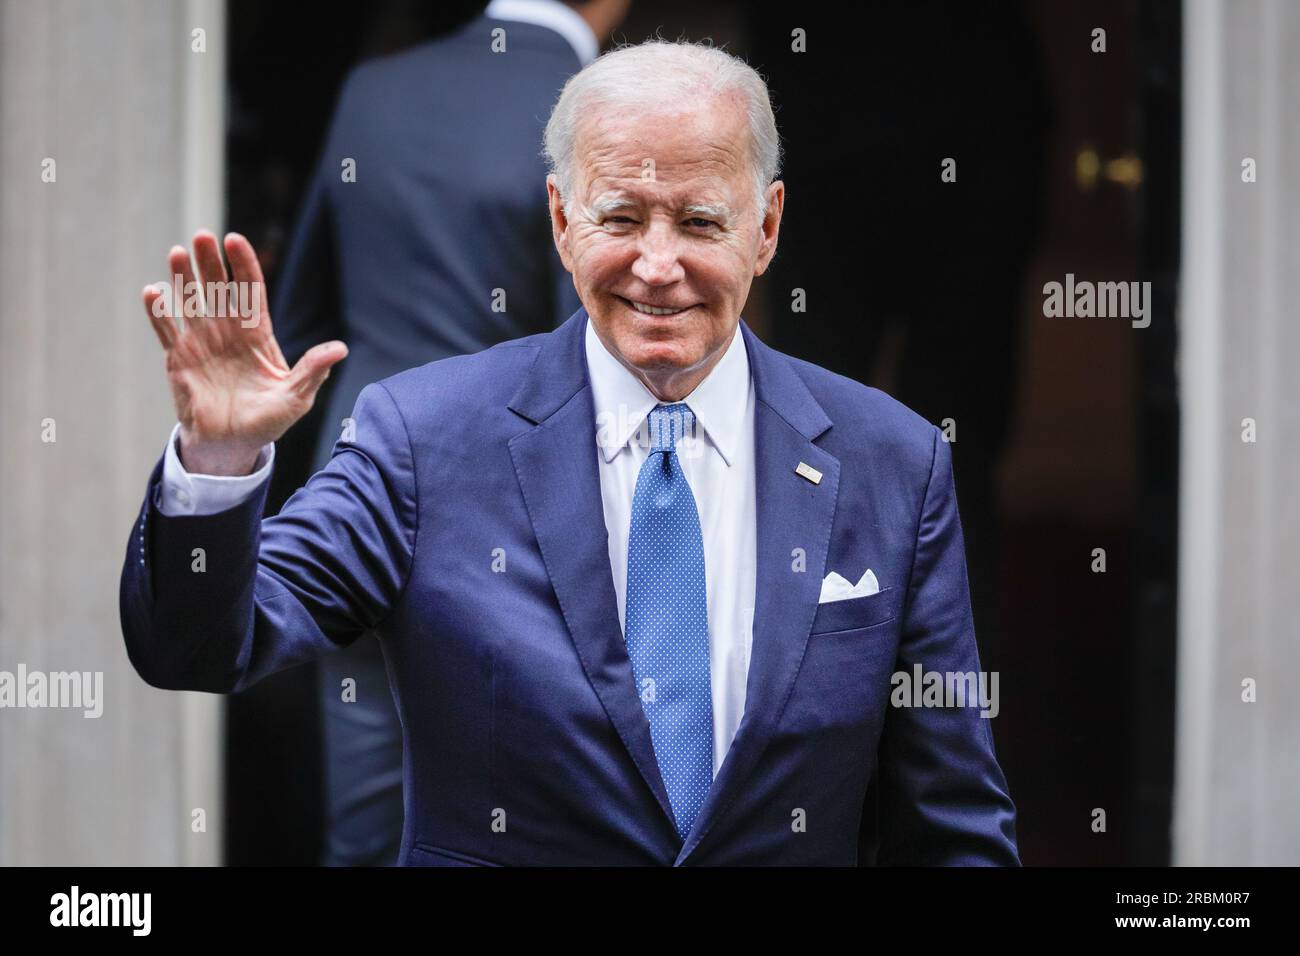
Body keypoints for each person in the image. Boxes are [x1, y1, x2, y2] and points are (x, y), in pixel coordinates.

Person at [122, 40, 1019, 865]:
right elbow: (199, 648)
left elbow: (953, 824)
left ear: (768, 226)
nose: (656, 263)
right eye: (620, 216)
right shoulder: (424, 437)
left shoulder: (893, 462)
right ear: (560, 218)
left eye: (701, 223)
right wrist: (217, 461)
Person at [267, 0, 631, 867]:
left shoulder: (374, 89)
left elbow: (299, 326)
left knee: (364, 830)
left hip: (357, 501)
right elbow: (598, 364)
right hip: (520, 535)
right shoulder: (598, 114)